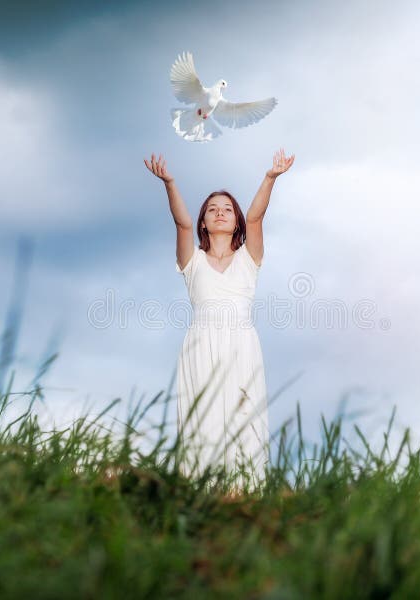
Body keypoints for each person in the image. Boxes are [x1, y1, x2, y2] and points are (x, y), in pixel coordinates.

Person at [143, 148, 295, 491]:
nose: (220, 213)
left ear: (236, 220)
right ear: (204, 222)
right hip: (201, 345)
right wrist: (169, 182)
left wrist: (270, 178)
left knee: (243, 420)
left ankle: (246, 494)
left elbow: (256, 218)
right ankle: (201, 494)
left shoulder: (249, 258)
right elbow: (181, 222)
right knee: (203, 422)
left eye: (227, 209)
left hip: (241, 345)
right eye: (212, 210)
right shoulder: (192, 261)